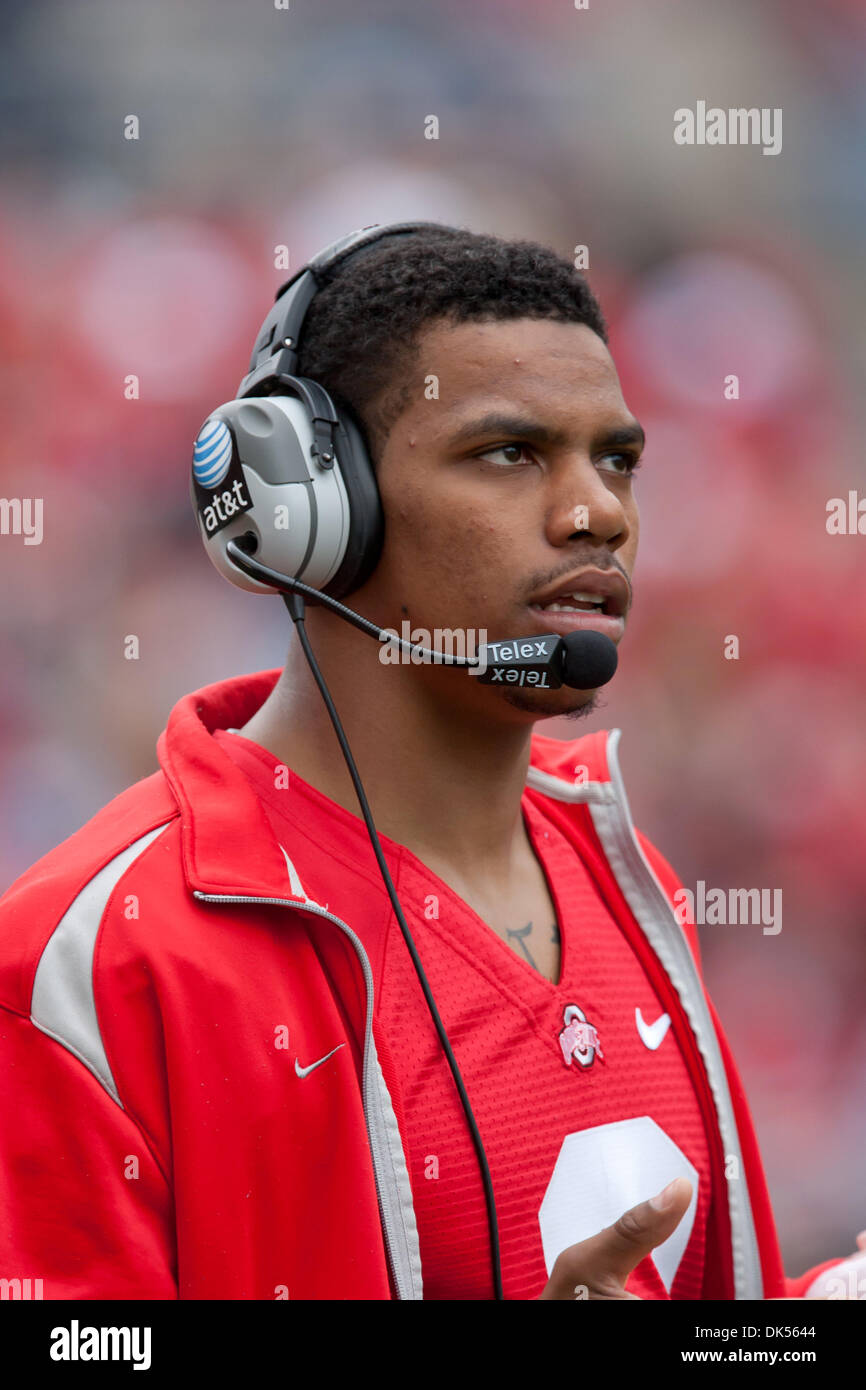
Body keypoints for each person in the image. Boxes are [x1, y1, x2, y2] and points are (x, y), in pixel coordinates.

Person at [0, 223, 859, 1301]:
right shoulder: (91, 960)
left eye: (617, 460)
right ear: (312, 511)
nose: (596, 511)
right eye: (508, 452)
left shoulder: (629, 878)